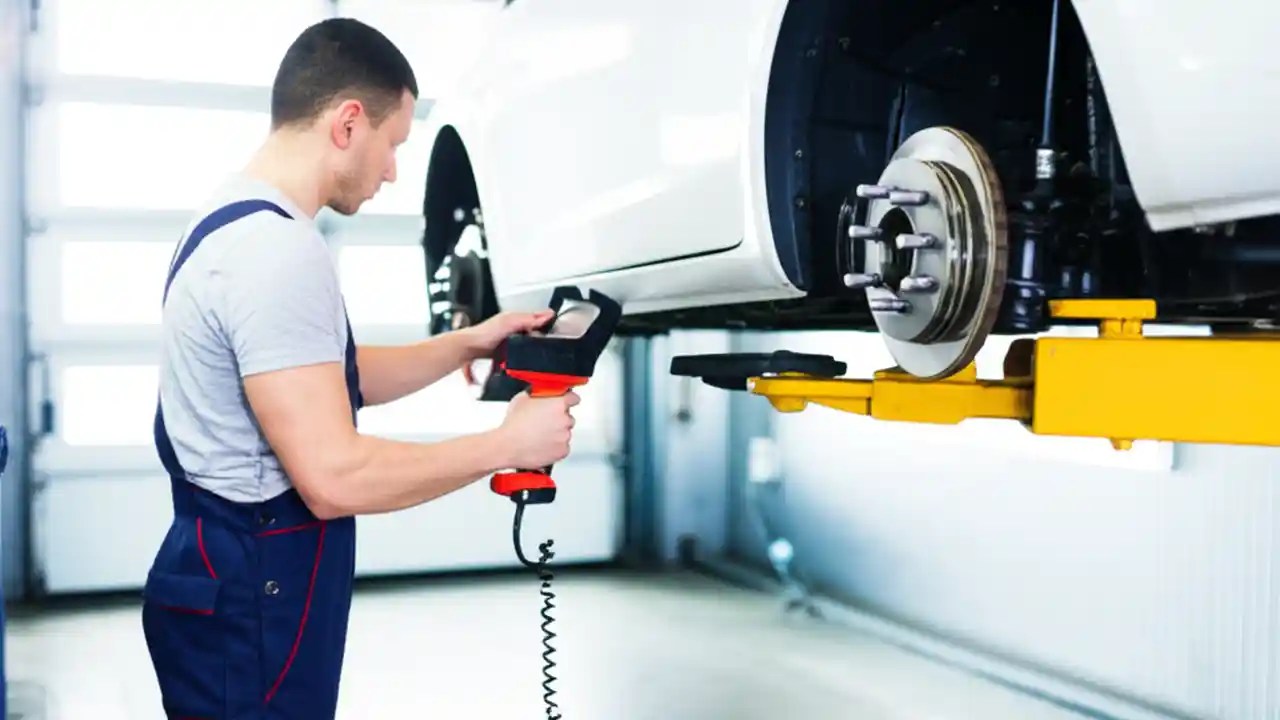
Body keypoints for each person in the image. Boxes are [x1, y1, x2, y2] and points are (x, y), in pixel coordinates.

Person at [140, 17, 579, 720]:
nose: (394, 170)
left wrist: (467, 344)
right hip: (257, 593)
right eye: (393, 143)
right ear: (348, 124)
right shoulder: (276, 252)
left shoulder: (234, 219)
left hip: (228, 578)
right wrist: (509, 445)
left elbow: (324, 378)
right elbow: (333, 476)